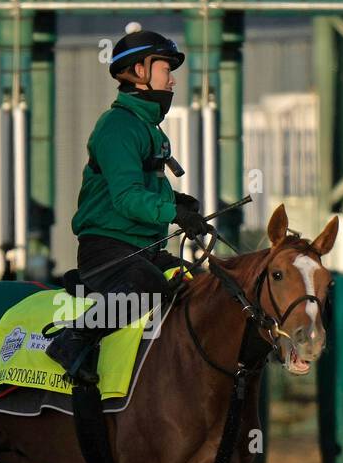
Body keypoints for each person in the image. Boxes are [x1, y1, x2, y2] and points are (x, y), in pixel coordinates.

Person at [44, 24, 215, 385]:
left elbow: (143, 190)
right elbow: (125, 199)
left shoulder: (148, 128)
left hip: (145, 251)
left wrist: (179, 202)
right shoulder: (118, 127)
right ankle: (71, 340)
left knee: (199, 286)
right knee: (147, 287)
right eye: (166, 70)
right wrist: (173, 213)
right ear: (140, 72)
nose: (172, 81)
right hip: (109, 253)